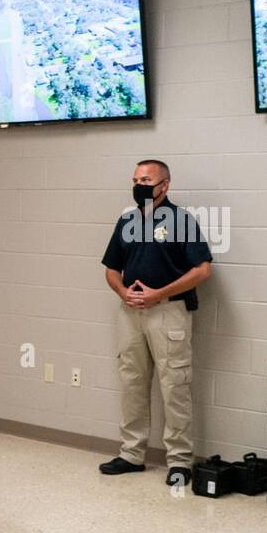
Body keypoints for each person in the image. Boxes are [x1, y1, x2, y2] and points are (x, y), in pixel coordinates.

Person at [99, 160, 214, 486]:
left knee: (175, 386)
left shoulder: (181, 220)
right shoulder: (127, 220)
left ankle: (179, 462)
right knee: (131, 382)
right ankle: (131, 454)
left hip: (168, 312)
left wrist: (157, 293)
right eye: (135, 179)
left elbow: (203, 270)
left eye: (146, 179)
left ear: (165, 184)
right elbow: (110, 268)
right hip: (130, 312)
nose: (139, 184)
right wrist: (124, 292)